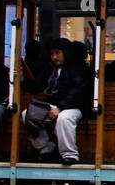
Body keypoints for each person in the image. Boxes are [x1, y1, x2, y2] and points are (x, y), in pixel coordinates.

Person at [21, 37, 90, 165]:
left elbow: (78, 91)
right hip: (55, 106)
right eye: (52, 54)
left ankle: (70, 154)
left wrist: (61, 108)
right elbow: (36, 86)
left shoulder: (77, 68)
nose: (54, 57)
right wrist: (20, 80)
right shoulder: (50, 69)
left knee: (64, 118)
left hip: (76, 107)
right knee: (27, 114)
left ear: (66, 52)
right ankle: (45, 148)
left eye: (57, 53)